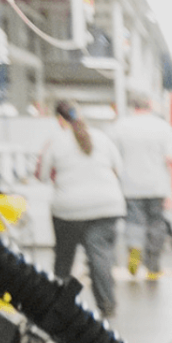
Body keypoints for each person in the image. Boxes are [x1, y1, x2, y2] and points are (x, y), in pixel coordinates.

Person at [36, 100, 125, 317]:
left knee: (64, 258)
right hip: (107, 205)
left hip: (69, 209)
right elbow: (119, 170)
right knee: (100, 257)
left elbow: (42, 175)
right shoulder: (102, 138)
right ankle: (107, 304)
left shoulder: (55, 142)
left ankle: (60, 307)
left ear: (59, 119)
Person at [110, 93, 172, 280]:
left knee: (134, 221)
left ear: (133, 106)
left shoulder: (120, 127)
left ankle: (135, 248)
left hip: (129, 185)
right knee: (155, 223)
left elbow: (112, 159)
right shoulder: (162, 127)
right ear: (150, 105)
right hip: (156, 185)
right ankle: (153, 265)